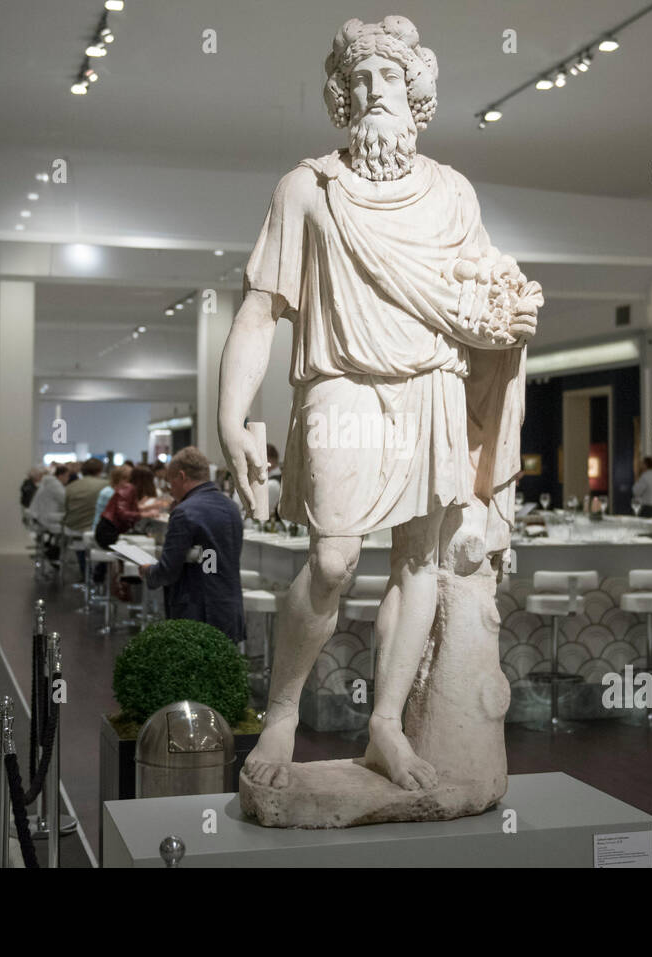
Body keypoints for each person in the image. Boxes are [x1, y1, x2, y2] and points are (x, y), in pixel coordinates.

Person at [220, 16, 539, 793]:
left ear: (415, 92)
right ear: (340, 95)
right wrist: (231, 417)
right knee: (332, 558)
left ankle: (386, 725)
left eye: (388, 77)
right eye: (357, 79)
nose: (372, 91)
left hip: (429, 382)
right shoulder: (308, 188)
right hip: (340, 384)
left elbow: (489, 297)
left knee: (419, 560)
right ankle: (284, 711)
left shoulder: (451, 193)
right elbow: (260, 309)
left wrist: (516, 315)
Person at [140, 447, 244, 643]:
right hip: (229, 608)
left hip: (196, 610)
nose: (170, 489)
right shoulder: (231, 507)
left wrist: (149, 572)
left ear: (181, 476)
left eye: (171, 482)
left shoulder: (184, 512)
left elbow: (169, 570)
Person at [28, 466, 68, 531]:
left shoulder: (46, 483)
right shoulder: (54, 484)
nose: (68, 478)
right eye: (67, 476)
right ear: (61, 476)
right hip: (45, 518)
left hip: (39, 516)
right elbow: (66, 500)